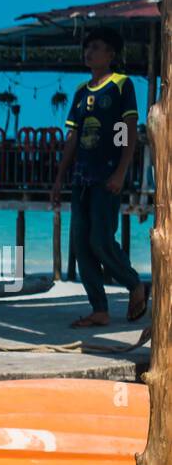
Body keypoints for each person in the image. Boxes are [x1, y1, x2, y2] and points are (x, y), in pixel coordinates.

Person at [51, 27, 148, 328]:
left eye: (96, 47)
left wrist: (121, 170)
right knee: (81, 244)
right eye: (87, 48)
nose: (89, 52)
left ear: (111, 54)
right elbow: (73, 137)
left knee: (100, 239)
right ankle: (99, 309)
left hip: (107, 176)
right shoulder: (81, 92)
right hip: (81, 178)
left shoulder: (122, 85)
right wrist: (59, 178)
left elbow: (128, 131)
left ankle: (135, 284)